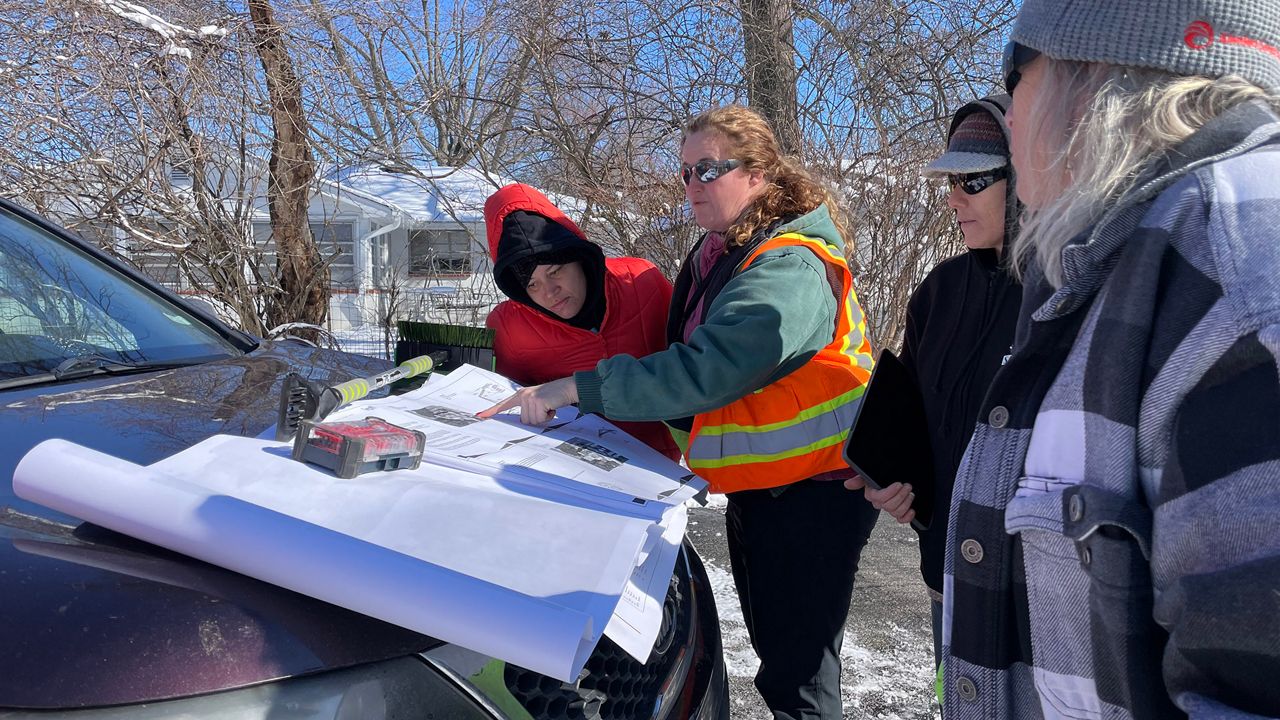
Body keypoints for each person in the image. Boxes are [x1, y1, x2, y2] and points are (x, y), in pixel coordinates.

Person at [481, 105, 881, 720]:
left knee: (800, 679)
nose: (692, 185)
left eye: (709, 170)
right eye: (686, 172)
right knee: (781, 665)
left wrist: (578, 388)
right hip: (762, 487)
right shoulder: (722, 251)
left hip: (815, 493)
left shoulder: (790, 266)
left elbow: (705, 370)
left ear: (759, 173)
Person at [941, 1, 1280, 717]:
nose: (1009, 112)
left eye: (1014, 75)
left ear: (1090, 72)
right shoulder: (1118, 261)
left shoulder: (1238, 267)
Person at [859, 95, 1022, 668]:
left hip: (1035, 597)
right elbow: (918, 420)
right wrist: (893, 480)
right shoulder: (939, 291)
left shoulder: (1064, 294)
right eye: (951, 181)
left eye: (973, 180)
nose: (954, 198)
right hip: (945, 577)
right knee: (952, 702)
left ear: (1025, 179)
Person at [483, 183, 681, 461]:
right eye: (532, 284)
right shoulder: (509, 326)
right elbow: (503, 404)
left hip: (664, 464)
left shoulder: (641, 280)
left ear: (579, 257)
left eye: (555, 271)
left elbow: (690, 366)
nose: (549, 292)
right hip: (572, 470)